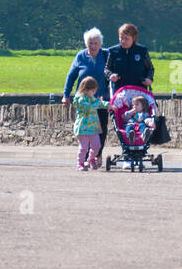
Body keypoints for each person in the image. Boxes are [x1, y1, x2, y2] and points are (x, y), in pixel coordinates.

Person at [62, 28, 110, 164]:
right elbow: (71, 77)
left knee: (101, 127)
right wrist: (66, 95)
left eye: (95, 43)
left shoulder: (107, 55)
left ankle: (97, 155)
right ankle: (86, 156)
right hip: (84, 100)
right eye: (90, 43)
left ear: (100, 44)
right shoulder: (80, 56)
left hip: (101, 98)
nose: (93, 46)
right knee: (86, 128)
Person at [71, 76, 109, 171]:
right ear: (86, 90)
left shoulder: (92, 98)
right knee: (84, 147)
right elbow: (88, 108)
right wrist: (98, 103)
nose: (94, 93)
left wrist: (108, 104)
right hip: (83, 127)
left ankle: (91, 158)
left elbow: (99, 103)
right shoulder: (80, 99)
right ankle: (80, 163)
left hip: (93, 127)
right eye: (93, 91)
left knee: (97, 145)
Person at [105, 23, 154, 92]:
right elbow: (107, 69)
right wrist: (110, 75)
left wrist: (149, 78)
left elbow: (150, 68)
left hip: (139, 90)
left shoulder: (142, 51)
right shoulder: (113, 51)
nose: (123, 41)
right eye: (121, 38)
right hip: (120, 92)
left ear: (133, 38)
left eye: (126, 38)